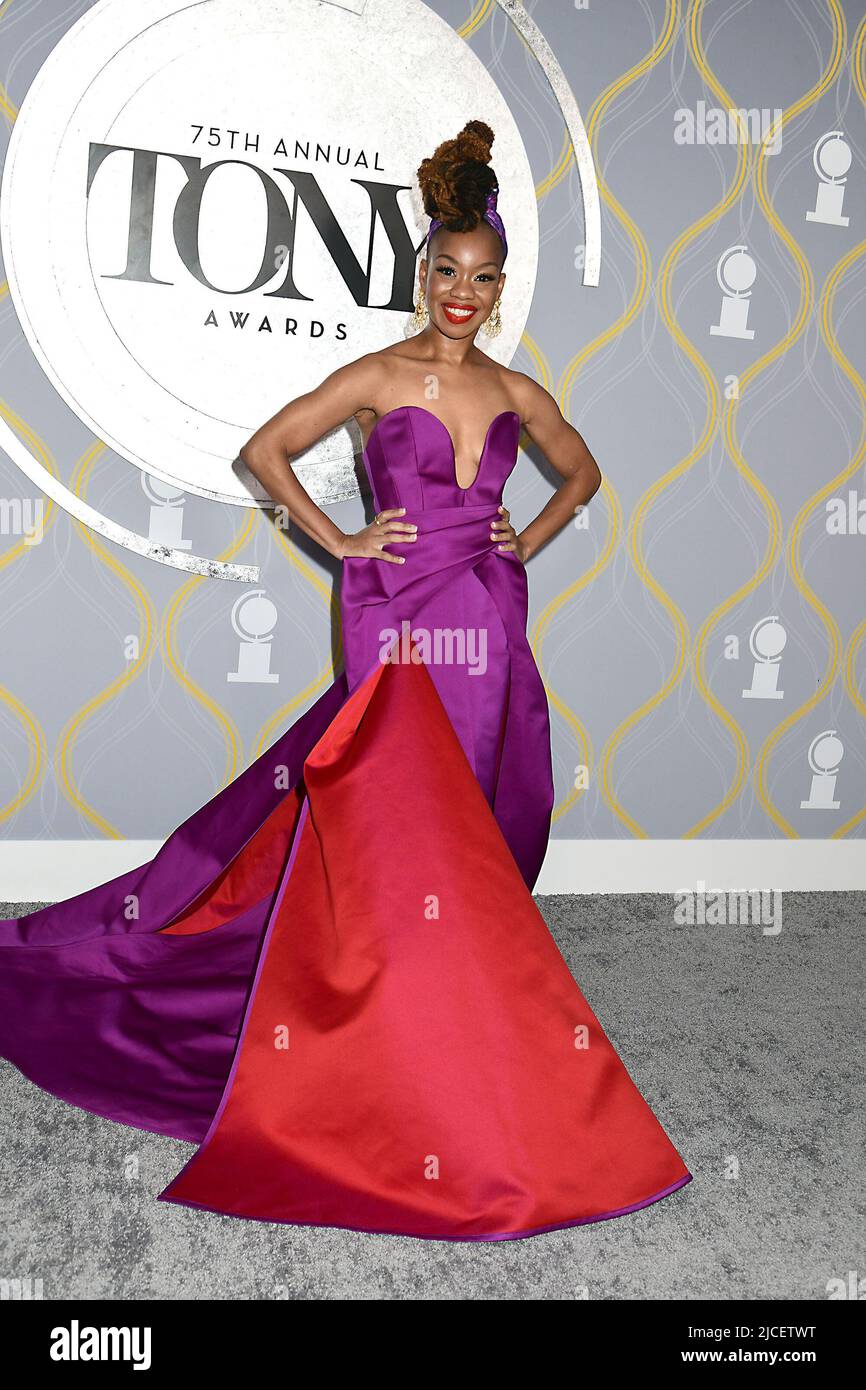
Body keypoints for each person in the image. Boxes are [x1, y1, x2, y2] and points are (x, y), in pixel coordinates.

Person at [0, 120, 691, 1241]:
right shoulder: (377, 374)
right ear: (420, 272)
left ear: (499, 287)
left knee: (473, 811)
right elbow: (265, 452)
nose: (459, 293)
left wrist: (533, 534)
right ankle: (388, 1025)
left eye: (480, 278)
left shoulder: (516, 391)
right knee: (393, 814)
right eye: (443, 272)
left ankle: (443, 1007)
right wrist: (339, 542)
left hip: (485, 616)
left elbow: (586, 473)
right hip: (396, 617)